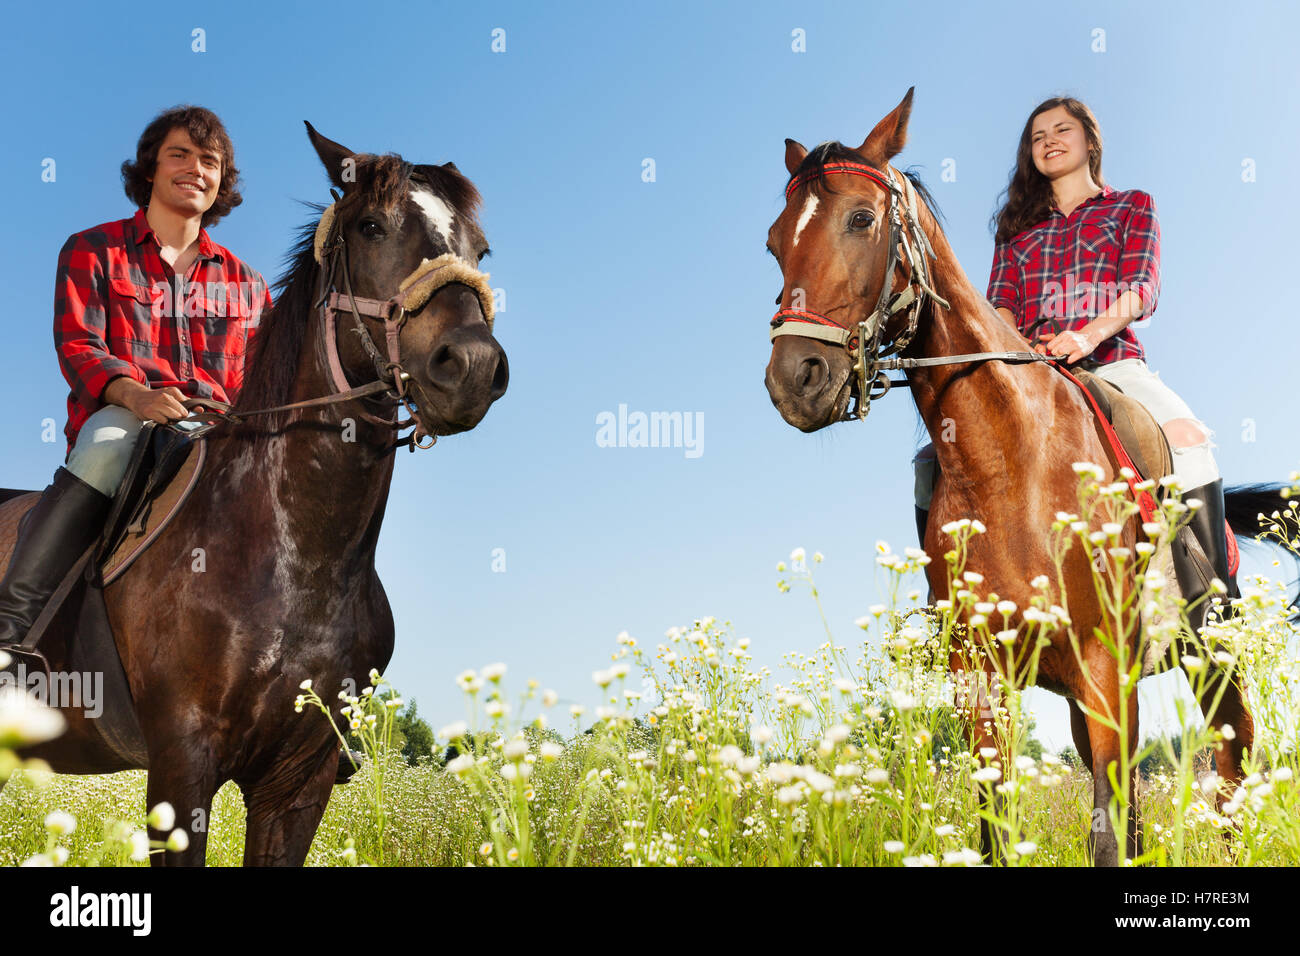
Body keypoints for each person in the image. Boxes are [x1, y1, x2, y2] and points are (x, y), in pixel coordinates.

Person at [913, 96, 1237, 622]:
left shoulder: (1132, 205)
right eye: (1037, 137)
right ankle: (942, 610)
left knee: (1188, 439)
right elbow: (1001, 309)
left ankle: (1212, 608)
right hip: (1032, 373)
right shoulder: (1015, 231)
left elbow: (1141, 287)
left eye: (1061, 130)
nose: (1048, 142)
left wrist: (1085, 337)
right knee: (931, 461)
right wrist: (1013, 354)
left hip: (1113, 365)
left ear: (1090, 141)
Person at [0, 105, 271, 653]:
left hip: (217, 429)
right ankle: (11, 633)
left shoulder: (249, 282)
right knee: (103, 448)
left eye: (210, 161)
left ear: (222, 182)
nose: (196, 167)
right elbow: (79, 344)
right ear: (150, 169)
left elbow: (260, 378)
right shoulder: (94, 249)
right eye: (180, 154)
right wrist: (136, 395)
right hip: (128, 420)